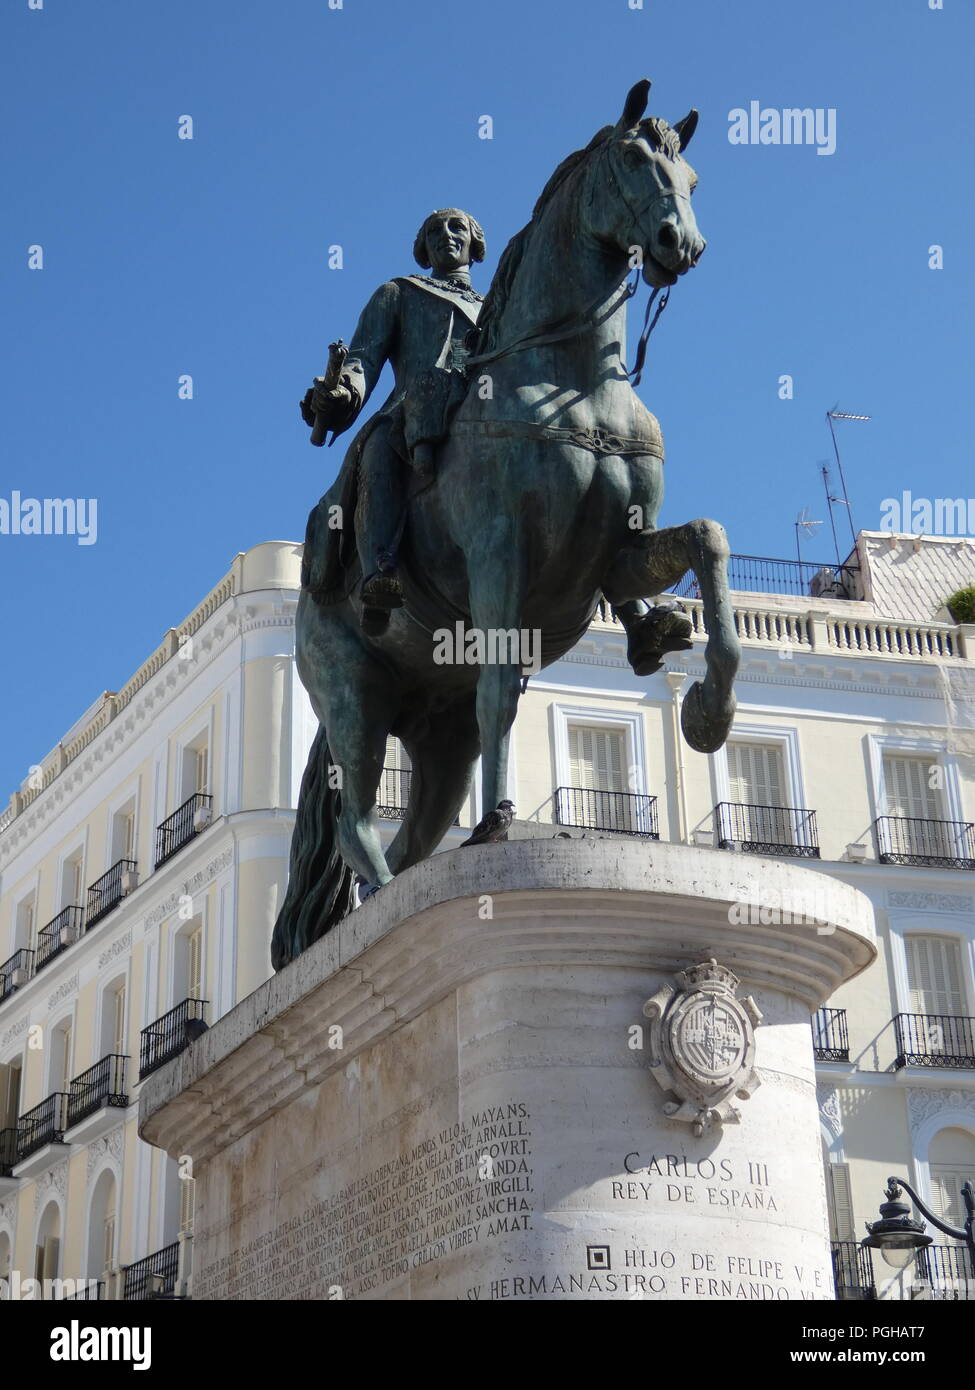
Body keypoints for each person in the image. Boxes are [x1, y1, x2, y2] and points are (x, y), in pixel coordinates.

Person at [300, 207, 485, 633]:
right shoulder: (399, 292)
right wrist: (340, 392)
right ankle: (379, 570)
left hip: (481, 410)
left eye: (457, 227)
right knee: (380, 448)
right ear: (423, 248)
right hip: (411, 409)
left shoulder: (498, 306)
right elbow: (363, 360)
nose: (446, 235)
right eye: (434, 230)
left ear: (476, 243)